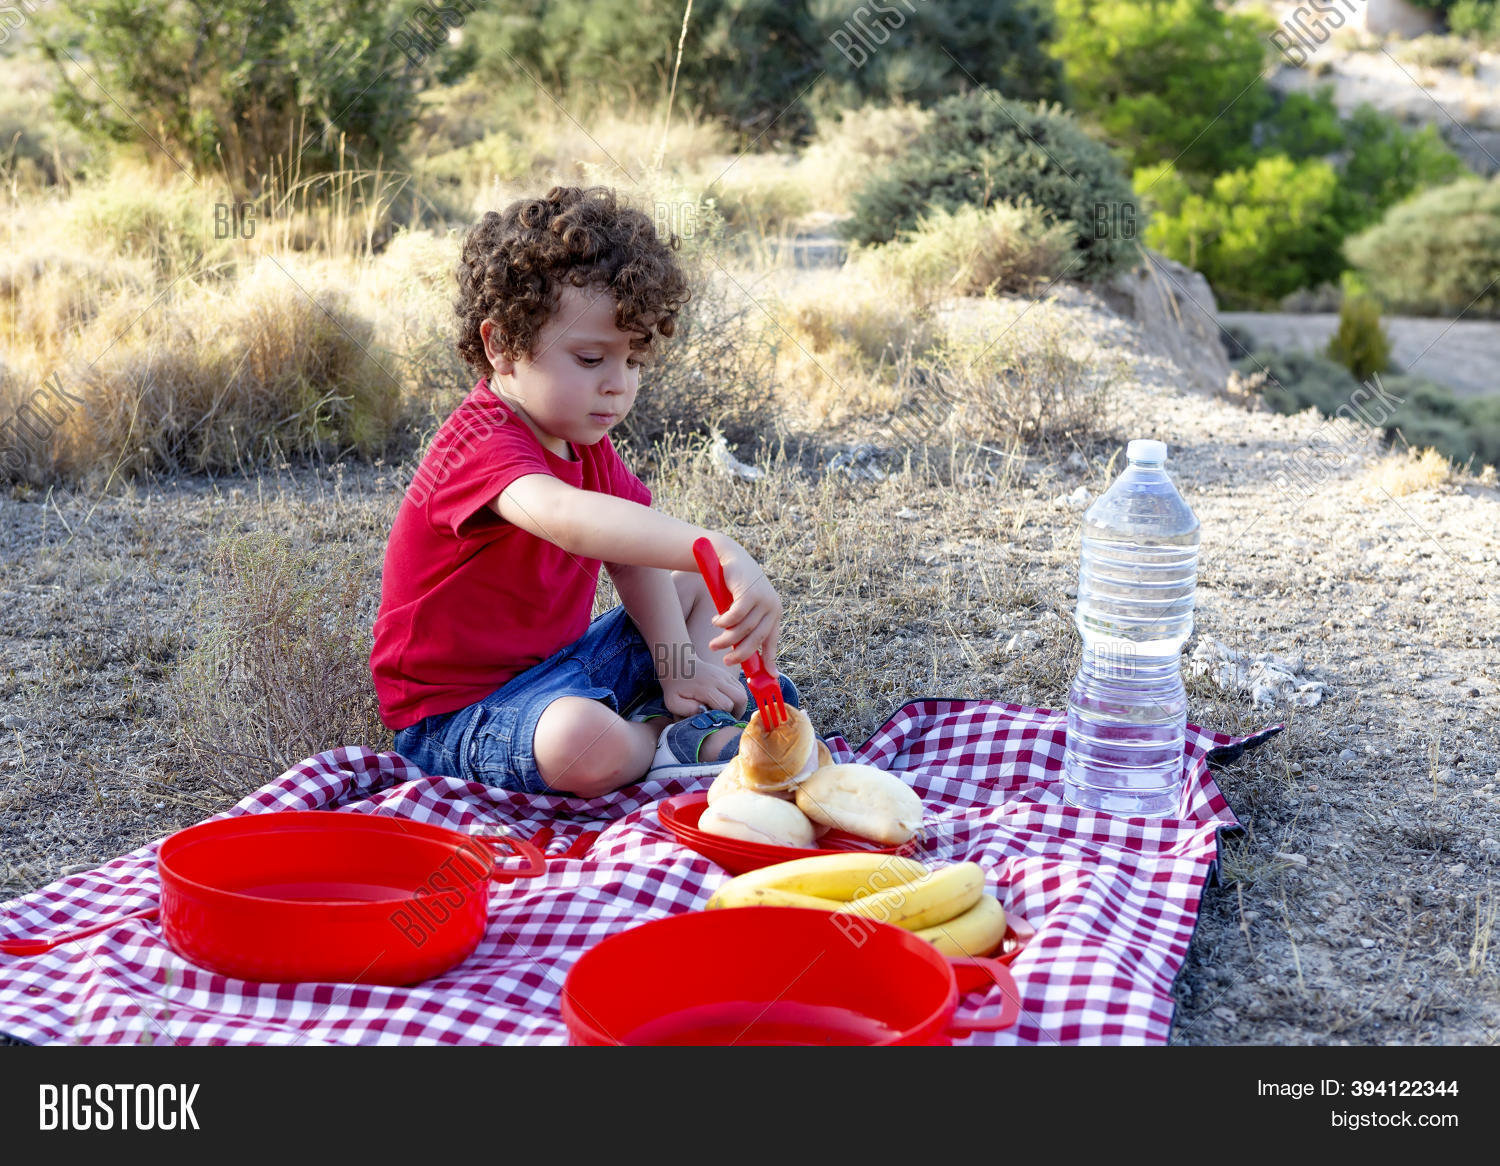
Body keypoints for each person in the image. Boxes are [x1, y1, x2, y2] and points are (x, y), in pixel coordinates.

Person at [370, 185, 796, 798]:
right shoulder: (479, 440)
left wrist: (677, 664)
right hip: (461, 717)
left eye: (634, 362)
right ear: (502, 346)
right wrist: (715, 542)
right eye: (592, 358)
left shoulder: (584, 443)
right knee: (580, 742)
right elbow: (563, 514)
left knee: (698, 579)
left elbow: (633, 555)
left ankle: (688, 706)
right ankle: (666, 737)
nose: (618, 386)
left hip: (566, 671)